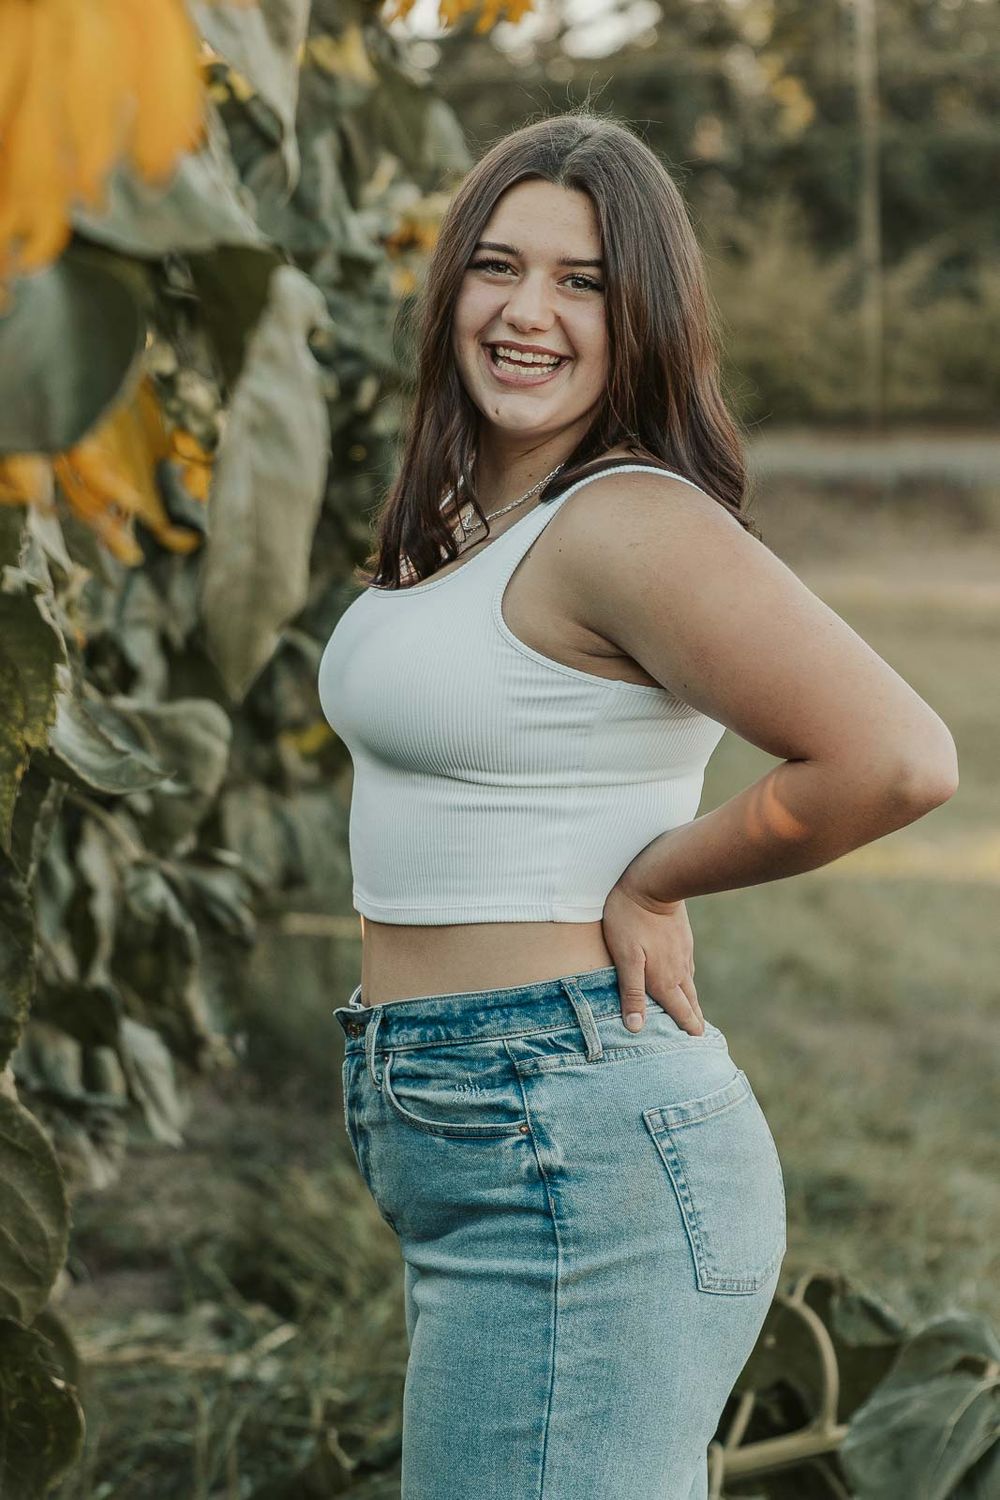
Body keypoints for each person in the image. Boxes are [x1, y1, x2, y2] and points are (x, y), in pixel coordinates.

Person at [317, 108, 958, 1500]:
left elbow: (897, 757)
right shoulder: (477, 523)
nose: (526, 312)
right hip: (480, 1120)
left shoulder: (626, 521)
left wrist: (660, 876)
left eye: (584, 282)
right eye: (497, 267)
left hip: (567, 1132)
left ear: (644, 317)